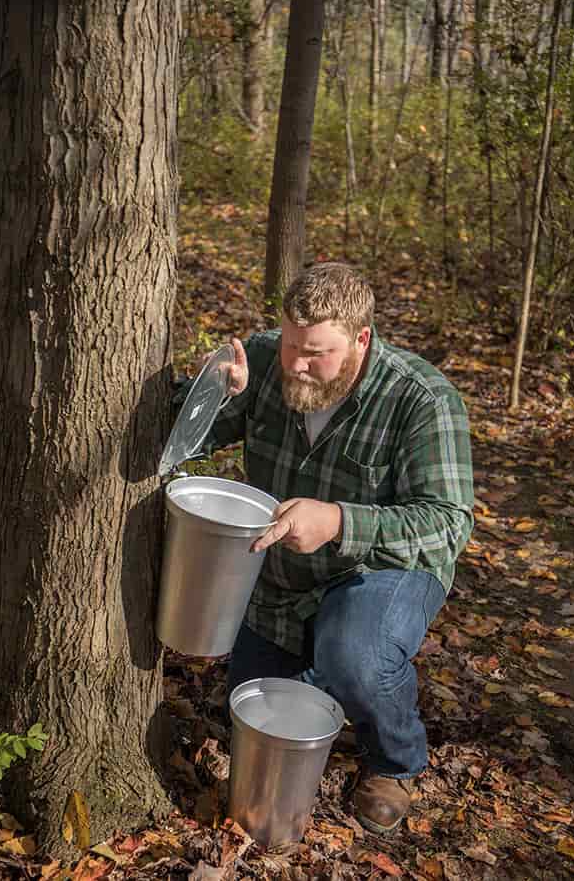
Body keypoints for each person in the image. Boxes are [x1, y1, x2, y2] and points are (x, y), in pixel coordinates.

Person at [194, 262, 474, 834]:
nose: (296, 363)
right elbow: (185, 438)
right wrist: (213, 395)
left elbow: (448, 524)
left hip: (383, 565)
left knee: (354, 656)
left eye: (316, 352)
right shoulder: (267, 360)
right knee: (245, 708)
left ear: (362, 338)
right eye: (291, 343)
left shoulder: (421, 398)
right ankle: (322, 673)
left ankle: (394, 761)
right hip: (286, 570)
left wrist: (342, 520)